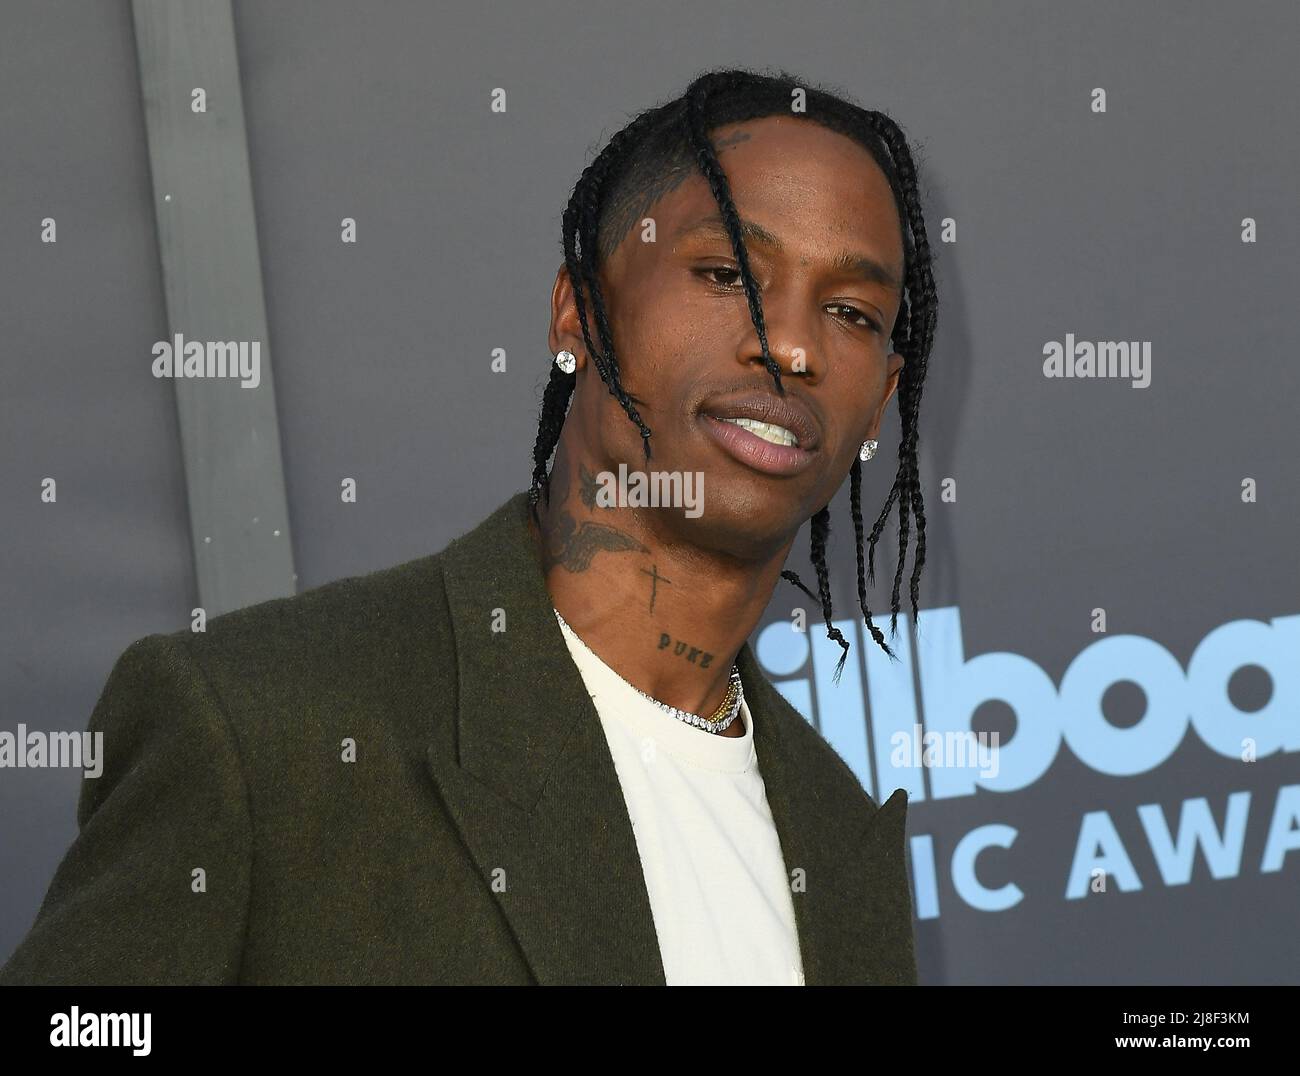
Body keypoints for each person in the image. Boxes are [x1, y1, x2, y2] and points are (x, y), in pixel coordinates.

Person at [0, 66, 937, 986]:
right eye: (728, 271)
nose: (791, 346)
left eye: (852, 312)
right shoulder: (261, 728)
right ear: (579, 309)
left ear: (882, 398)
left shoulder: (837, 836)